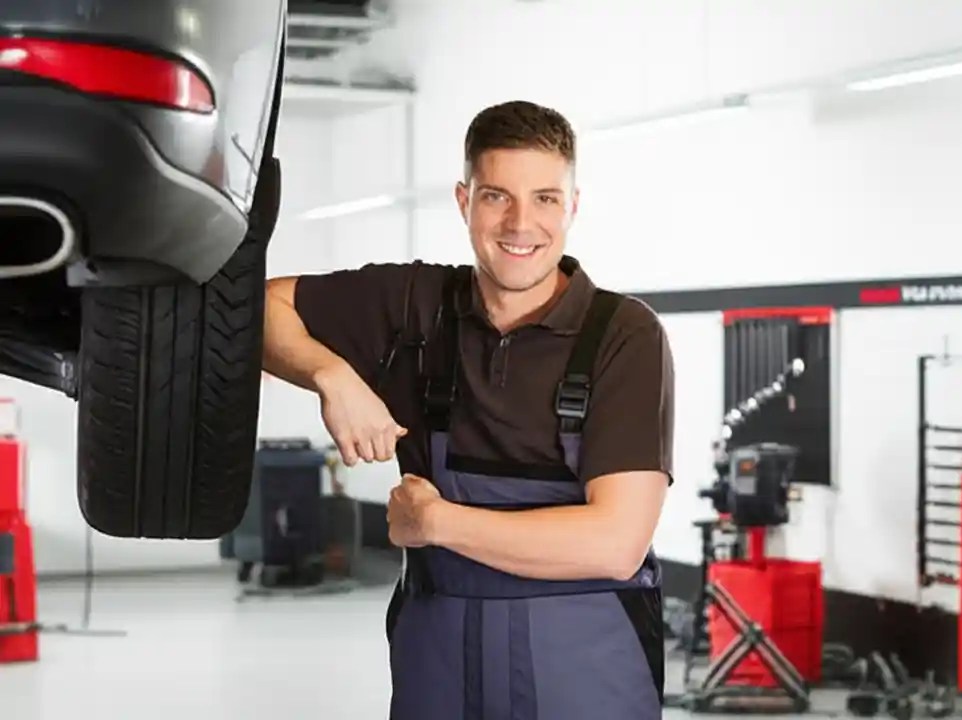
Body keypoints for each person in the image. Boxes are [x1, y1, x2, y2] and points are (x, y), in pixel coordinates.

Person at [261, 100, 674, 719]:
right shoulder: (415, 305)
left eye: (544, 198)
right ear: (463, 200)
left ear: (573, 206)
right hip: (440, 664)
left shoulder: (623, 334)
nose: (520, 223)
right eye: (495, 196)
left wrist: (437, 524)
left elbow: (614, 543)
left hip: (585, 670)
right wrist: (333, 377)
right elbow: (263, 310)